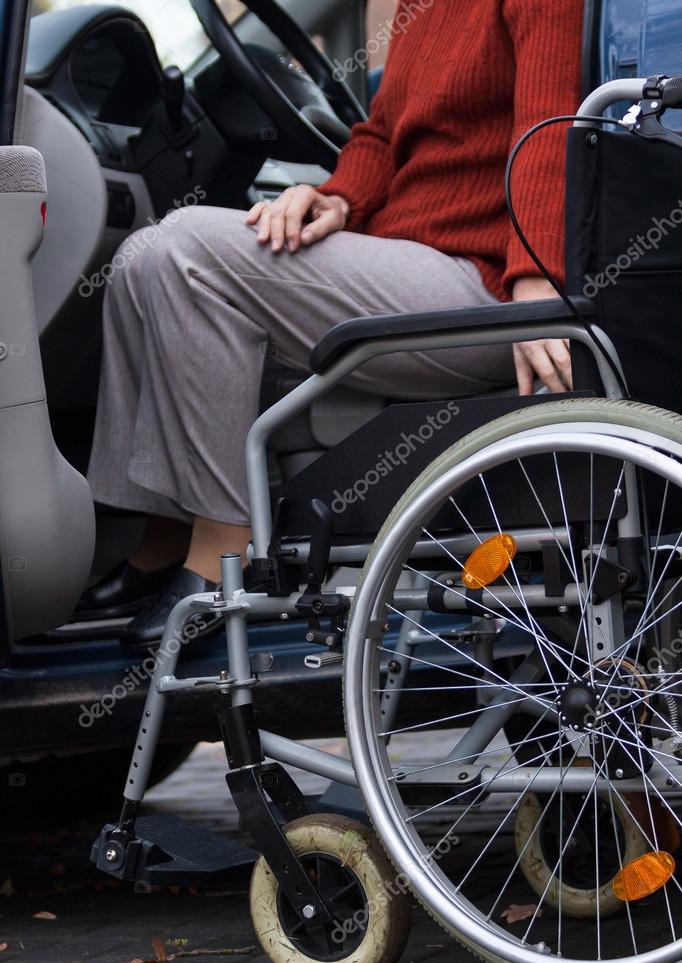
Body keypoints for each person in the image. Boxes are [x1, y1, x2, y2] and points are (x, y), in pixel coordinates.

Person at [80, 0, 583, 647]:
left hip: (483, 280)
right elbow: (382, 134)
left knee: (185, 251)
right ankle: (164, 533)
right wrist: (337, 197)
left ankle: (225, 554)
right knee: (139, 258)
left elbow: (551, 127)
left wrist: (535, 276)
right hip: (404, 256)